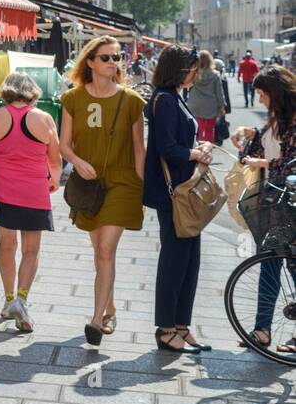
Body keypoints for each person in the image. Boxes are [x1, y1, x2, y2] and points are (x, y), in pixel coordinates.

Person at [59, 36, 147, 347]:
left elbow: (139, 150)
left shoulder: (132, 101)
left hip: (123, 184)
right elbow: (63, 145)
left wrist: (143, 189)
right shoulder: (72, 99)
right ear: (91, 62)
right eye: (106, 57)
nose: (113, 62)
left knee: (106, 251)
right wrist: (76, 162)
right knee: (100, 253)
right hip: (89, 184)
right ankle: (109, 307)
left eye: (117, 57)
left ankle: (95, 320)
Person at [0, 72, 62, 333]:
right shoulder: (44, 118)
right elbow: (55, 161)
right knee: (31, 250)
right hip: (35, 192)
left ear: (7, 91)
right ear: (32, 92)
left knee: (7, 247)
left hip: (3, 191)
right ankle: (22, 299)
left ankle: (9, 300)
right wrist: (52, 181)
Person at [143, 44, 215, 354]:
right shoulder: (165, 100)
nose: (196, 73)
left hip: (185, 191)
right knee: (174, 260)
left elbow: (179, 141)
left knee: (190, 261)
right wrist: (196, 152)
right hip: (173, 193)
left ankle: (182, 325)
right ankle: (166, 329)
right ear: (179, 69)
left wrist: (200, 145)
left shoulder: (175, 97)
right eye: (192, 68)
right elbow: (167, 148)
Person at [232, 65, 296, 352]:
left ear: (276, 93)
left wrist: (265, 164)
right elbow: (250, 154)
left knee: (292, 266)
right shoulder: (274, 121)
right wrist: (246, 134)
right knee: (268, 263)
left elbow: (290, 163)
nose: (259, 99)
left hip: (292, 202)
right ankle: (261, 331)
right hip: (273, 200)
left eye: (262, 93)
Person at [185, 50, 226, 142]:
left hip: (195, 104)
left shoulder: (194, 73)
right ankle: (207, 150)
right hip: (210, 105)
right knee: (209, 130)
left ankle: (197, 148)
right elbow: (219, 92)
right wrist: (222, 105)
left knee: (197, 129)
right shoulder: (215, 74)